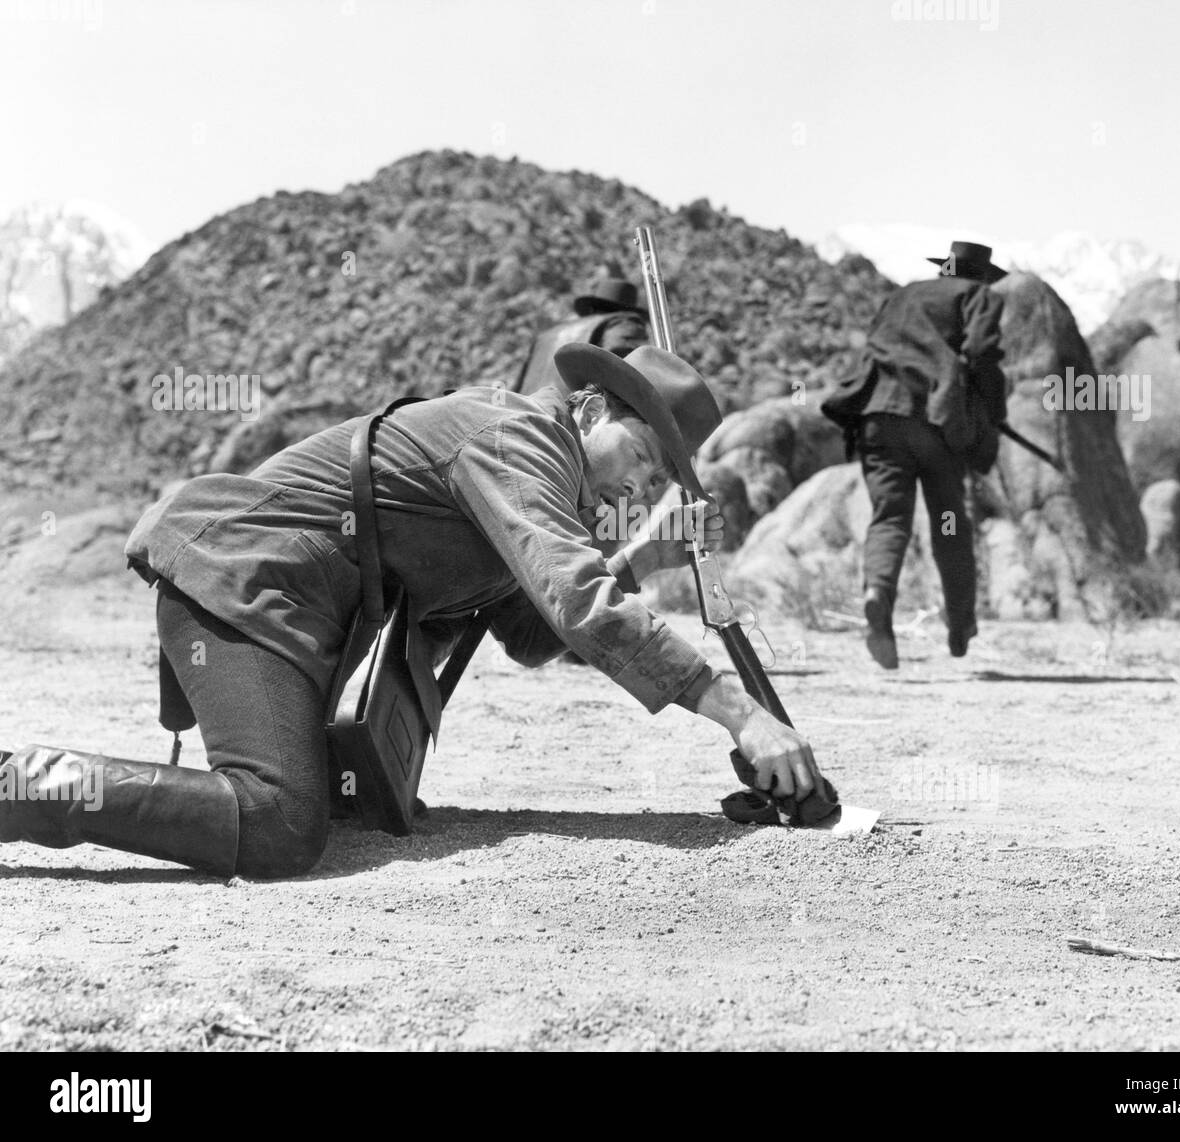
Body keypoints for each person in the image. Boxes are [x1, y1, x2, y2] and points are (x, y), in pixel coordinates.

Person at [1, 345, 826, 878]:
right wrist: (736, 711)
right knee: (278, 824)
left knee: (325, 808)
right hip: (247, 576)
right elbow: (579, 603)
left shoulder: (542, 489)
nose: (634, 489)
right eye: (641, 457)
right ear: (590, 411)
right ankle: (16, 786)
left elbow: (535, 633)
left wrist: (641, 554)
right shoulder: (519, 441)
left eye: (651, 485)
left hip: (290, 606)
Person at [823, 240, 1008, 670]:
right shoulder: (977, 295)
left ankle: (877, 596)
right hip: (934, 426)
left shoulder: (903, 294)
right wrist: (991, 413)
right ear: (979, 274)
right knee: (947, 521)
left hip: (878, 419)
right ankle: (960, 622)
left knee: (889, 517)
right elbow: (981, 355)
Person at [513, 266, 649, 394]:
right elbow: (624, 377)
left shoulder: (545, 336)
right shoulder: (624, 321)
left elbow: (517, 386)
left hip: (526, 414)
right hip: (571, 414)